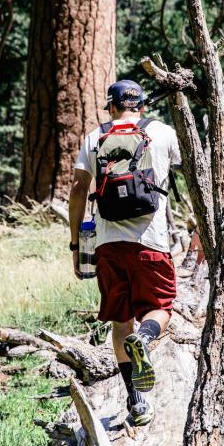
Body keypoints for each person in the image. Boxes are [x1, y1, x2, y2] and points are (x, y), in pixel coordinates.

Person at [69, 79, 181, 426]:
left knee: (121, 321)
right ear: (142, 106)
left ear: (112, 106)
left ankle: (136, 402)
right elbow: (188, 170)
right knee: (161, 308)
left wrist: (76, 244)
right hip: (151, 241)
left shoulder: (94, 137)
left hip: (107, 245)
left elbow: (77, 190)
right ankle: (145, 339)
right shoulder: (161, 133)